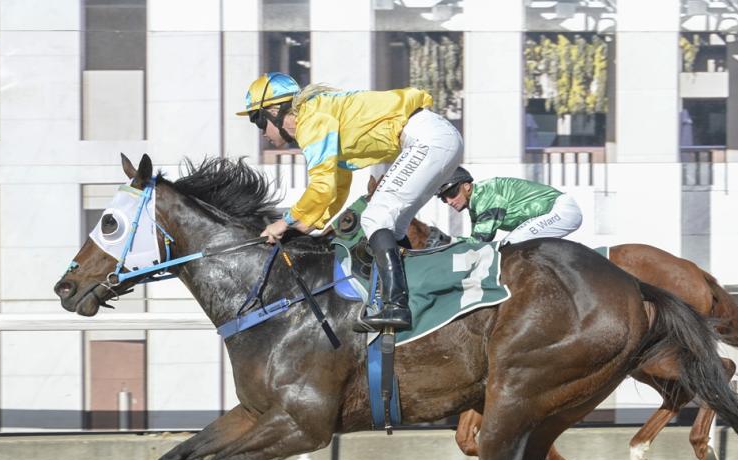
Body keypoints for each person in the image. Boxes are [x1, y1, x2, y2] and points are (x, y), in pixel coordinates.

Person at [237, 72, 463, 332]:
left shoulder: (310, 120)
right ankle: (413, 299)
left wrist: (285, 221)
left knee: (375, 217)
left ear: (274, 110)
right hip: (436, 138)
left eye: (258, 121)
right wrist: (309, 224)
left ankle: (396, 306)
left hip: (427, 139)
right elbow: (337, 185)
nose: (261, 133)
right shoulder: (319, 114)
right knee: (392, 227)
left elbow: (321, 186)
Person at [436, 167, 583, 245]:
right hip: (555, 210)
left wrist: (448, 241)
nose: (449, 201)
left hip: (561, 210)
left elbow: (480, 242)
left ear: (467, 186)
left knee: (509, 245)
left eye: (452, 193)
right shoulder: (475, 205)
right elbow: (476, 242)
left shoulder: (485, 197)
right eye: (444, 198)